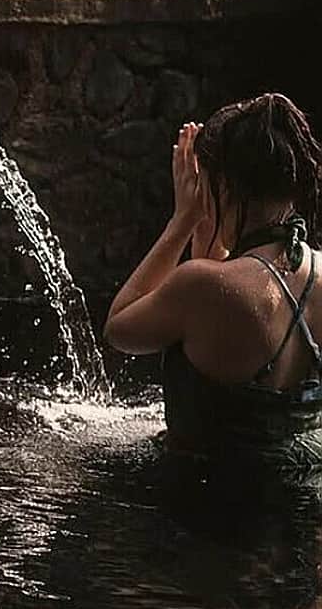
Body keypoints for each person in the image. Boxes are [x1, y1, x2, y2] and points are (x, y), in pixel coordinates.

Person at [105, 93, 322, 473]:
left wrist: (183, 221)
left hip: (204, 510)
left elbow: (120, 330)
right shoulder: (314, 273)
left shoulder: (203, 287)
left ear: (223, 187)